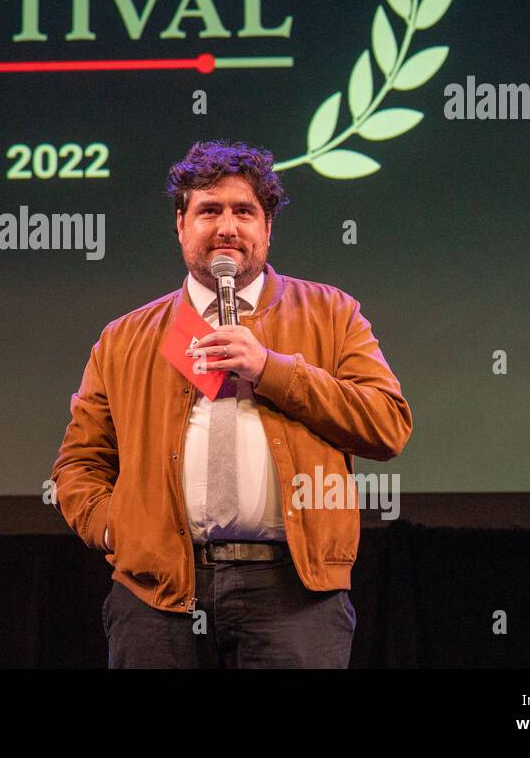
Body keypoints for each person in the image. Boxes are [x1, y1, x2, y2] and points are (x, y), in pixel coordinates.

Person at [51, 140, 412, 668]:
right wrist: (117, 529)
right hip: (157, 596)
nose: (227, 227)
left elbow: (387, 425)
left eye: (244, 211)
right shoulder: (125, 337)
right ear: (181, 224)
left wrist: (271, 369)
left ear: (268, 229)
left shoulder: (333, 313)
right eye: (208, 210)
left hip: (295, 592)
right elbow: (79, 464)